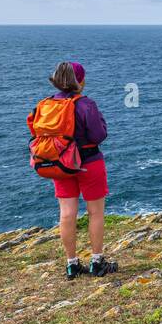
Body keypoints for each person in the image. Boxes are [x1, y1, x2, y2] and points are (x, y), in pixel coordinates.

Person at [46, 61, 117, 279]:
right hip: (89, 163)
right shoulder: (86, 105)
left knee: (67, 214)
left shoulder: (47, 105)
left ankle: (72, 265)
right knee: (95, 212)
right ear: (81, 81)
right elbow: (98, 135)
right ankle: (97, 262)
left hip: (60, 165)